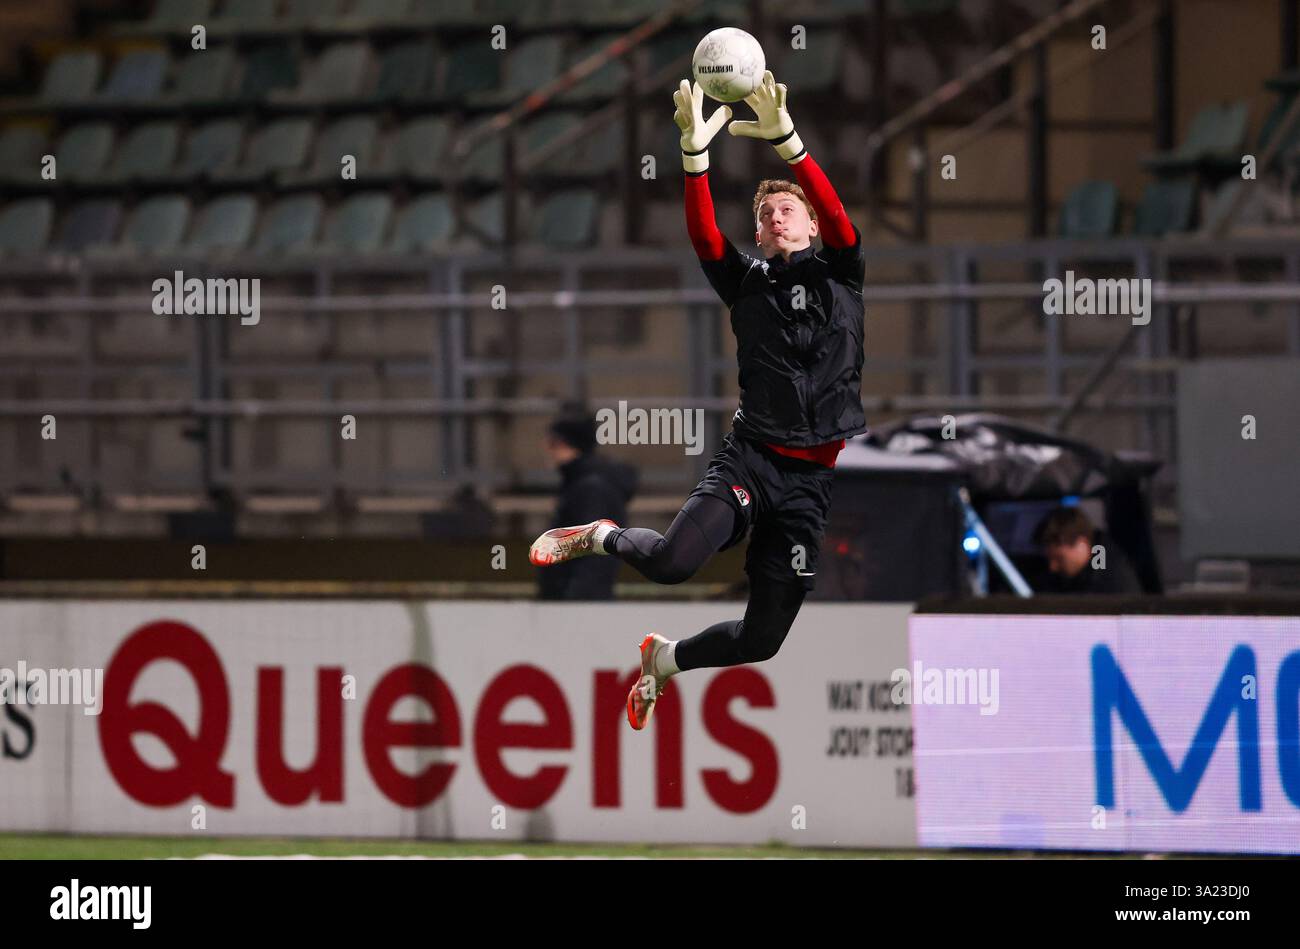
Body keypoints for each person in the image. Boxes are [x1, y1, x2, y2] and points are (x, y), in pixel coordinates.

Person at [530, 72, 867, 730]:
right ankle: (600, 535)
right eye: (766, 215)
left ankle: (666, 659)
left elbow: (839, 215)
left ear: (809, 225)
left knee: (762, 640)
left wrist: (791, 145)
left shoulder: (842, 270)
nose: (775, 217)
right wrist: (694, 159)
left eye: (787, 210)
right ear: (763, 235)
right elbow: (706, 235)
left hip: (809, 483)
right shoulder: (747, 282)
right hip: (752, 460)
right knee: (670, 564)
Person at [537, 409, 638, 601]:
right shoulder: (583, 485)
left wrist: (573, 606)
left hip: (578, 609)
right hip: (577, 606)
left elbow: (594, 558)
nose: (546, 449)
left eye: (552, 443)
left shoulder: (590, 489)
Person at [1034, 505, 1142, 594]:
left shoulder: (1110, 577)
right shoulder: (1098, 559)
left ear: (1081, 544)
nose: (1053, 567)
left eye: (1059, 558)